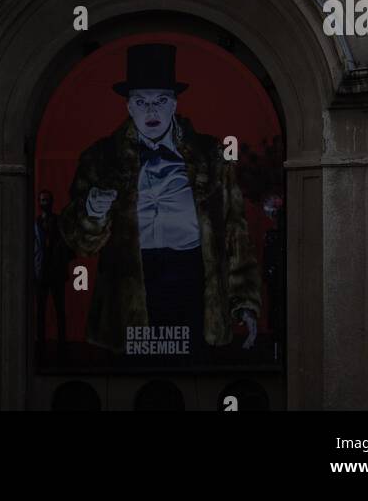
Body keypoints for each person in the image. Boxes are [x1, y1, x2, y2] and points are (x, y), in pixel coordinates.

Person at [60, 43, 261, 356]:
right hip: (128, 295)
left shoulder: (212, 155)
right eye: (141, 101)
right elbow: (80, 243)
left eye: (160, 100)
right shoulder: (100, 158)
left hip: (194, 284)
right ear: (128, 107)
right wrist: (92, 210)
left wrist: (244, 304)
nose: (151, 111)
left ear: (174, 104)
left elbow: (236, 235)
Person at [34, 189, 68, 347]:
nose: (44, 203)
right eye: (42, 200)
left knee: (60, 308)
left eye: (46, 200)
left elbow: (66, 246)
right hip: (42, 272)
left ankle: (62, 341)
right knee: (40, 309)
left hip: (56, 272)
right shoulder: (36, 223)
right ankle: (40, 340)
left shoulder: (59, 221)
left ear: (52, 202)